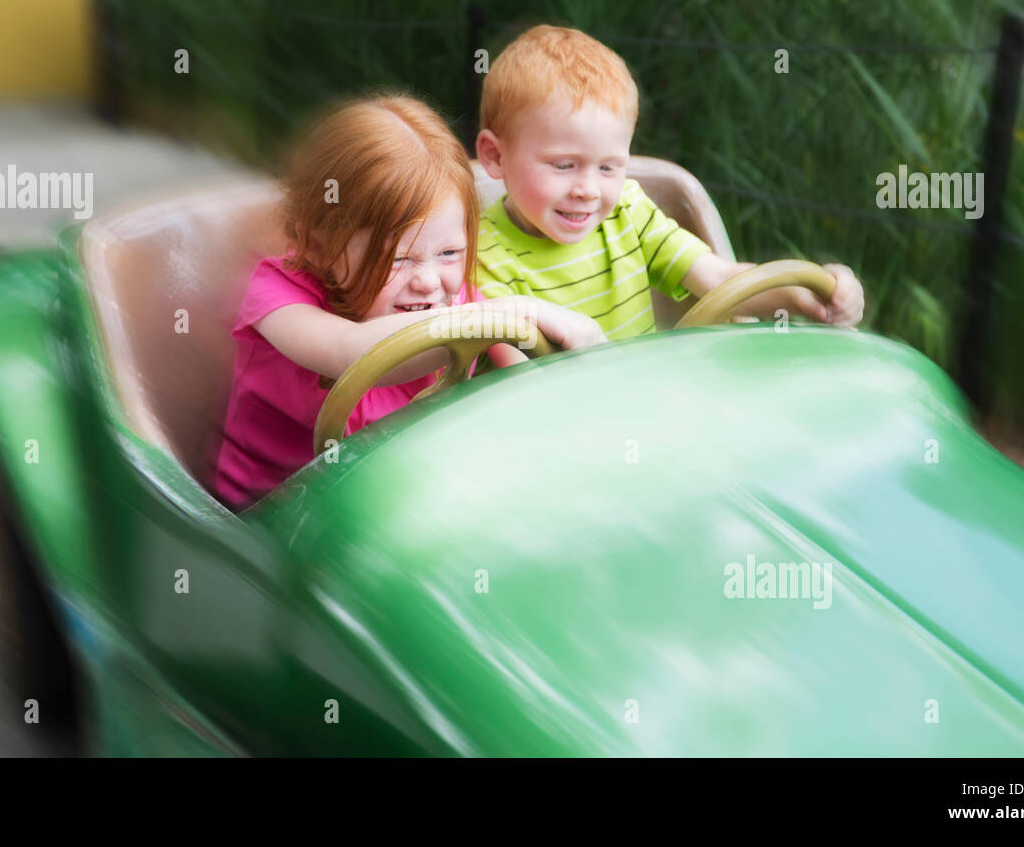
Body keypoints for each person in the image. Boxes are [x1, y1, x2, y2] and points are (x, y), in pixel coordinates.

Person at [213, 94, 604, 509]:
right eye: (398, 259)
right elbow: (353, 352)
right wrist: (506, 311)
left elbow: (527, 391)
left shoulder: (463, 305)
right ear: (318, 244)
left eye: (450, 253)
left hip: (400, 500)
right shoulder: (278, 293)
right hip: (272, 518)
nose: (428, 281)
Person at [473, 25, 865, 338]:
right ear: (495, 156)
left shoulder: (627, 210)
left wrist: (803, 294)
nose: (588, 190)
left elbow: (719, 279)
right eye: (563, 166)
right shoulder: (483, 255)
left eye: (608, 167)